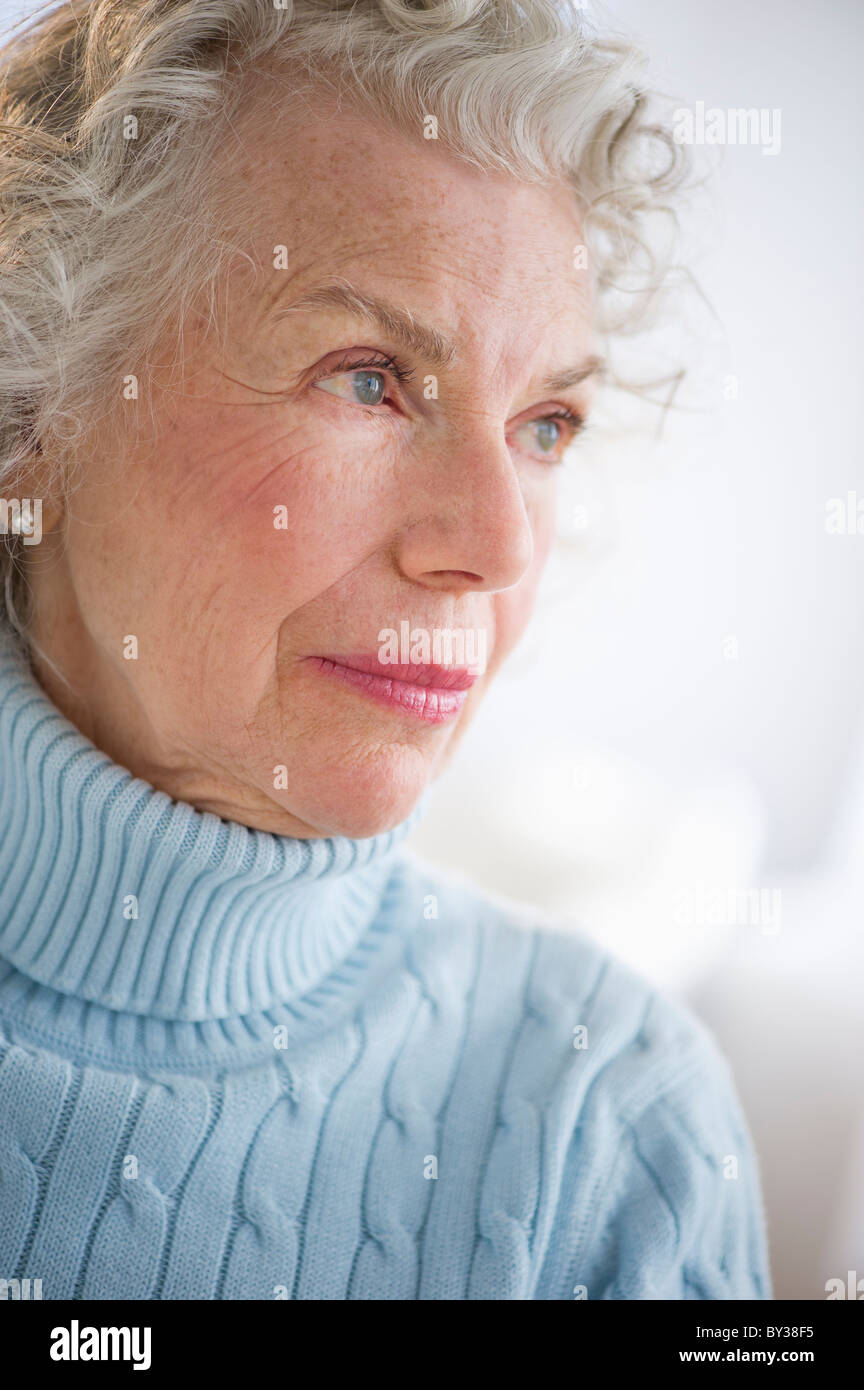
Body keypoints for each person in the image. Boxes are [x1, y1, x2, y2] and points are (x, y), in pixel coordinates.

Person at [0, 0, 771, 1300]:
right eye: (367, 377)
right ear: (35, 414)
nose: (495, 544)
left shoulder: (618, 1128)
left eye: (547, 423)